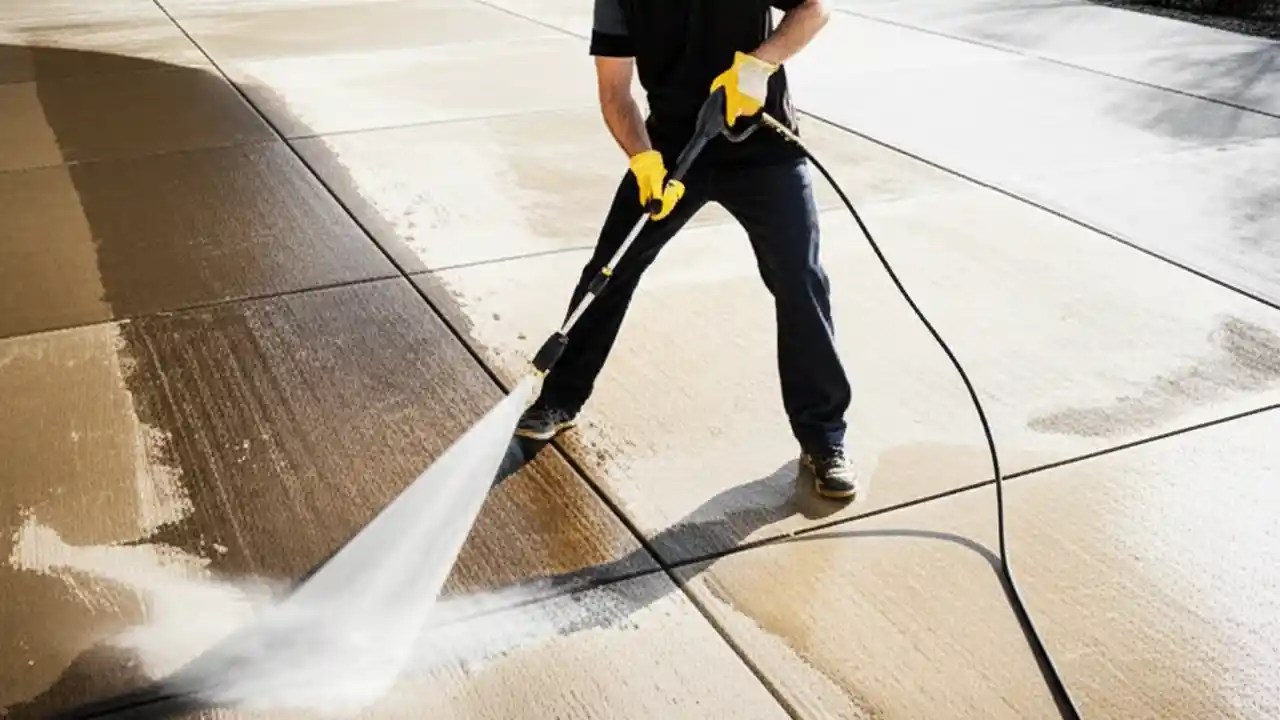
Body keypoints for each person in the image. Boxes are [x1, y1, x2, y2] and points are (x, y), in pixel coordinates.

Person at [515, 0, 859, 500]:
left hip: (763, 145)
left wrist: (759, 64)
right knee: (612, 267)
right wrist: (643, 159)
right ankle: (560, 398)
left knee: (799, 278)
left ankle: (823, 436)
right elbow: (614, 92)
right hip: (674, 149)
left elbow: (815, 8)